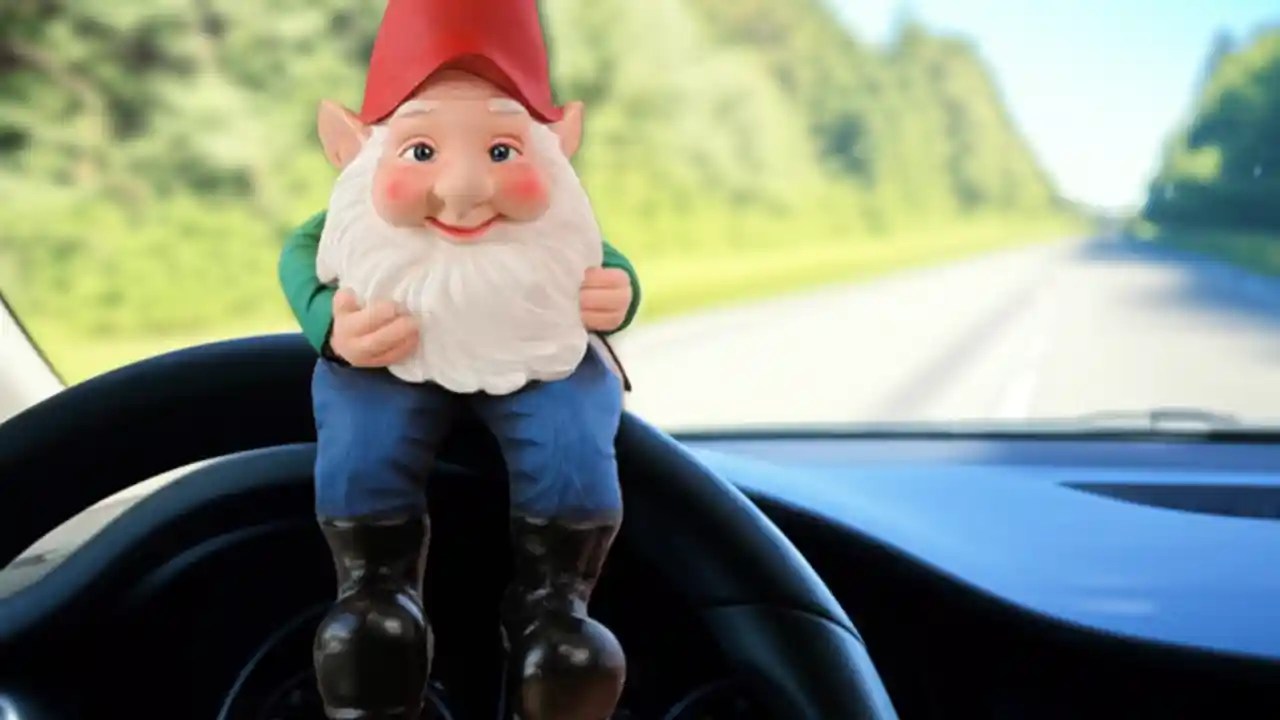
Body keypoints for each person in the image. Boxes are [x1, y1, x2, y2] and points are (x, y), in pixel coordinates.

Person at [278, 1, 640, 718]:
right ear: (351, 146)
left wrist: (618, 294)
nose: (465, 190)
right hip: (389, 347)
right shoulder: (352, 229)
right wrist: (330, 325)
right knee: (363, 432)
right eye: (421, 152)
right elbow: (301, 261)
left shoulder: (555, 233)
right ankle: (375, 590)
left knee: (573, 433)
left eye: (503, 151)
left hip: (540, 350)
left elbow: (597, 258)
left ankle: (555, 603)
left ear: (556, 143)